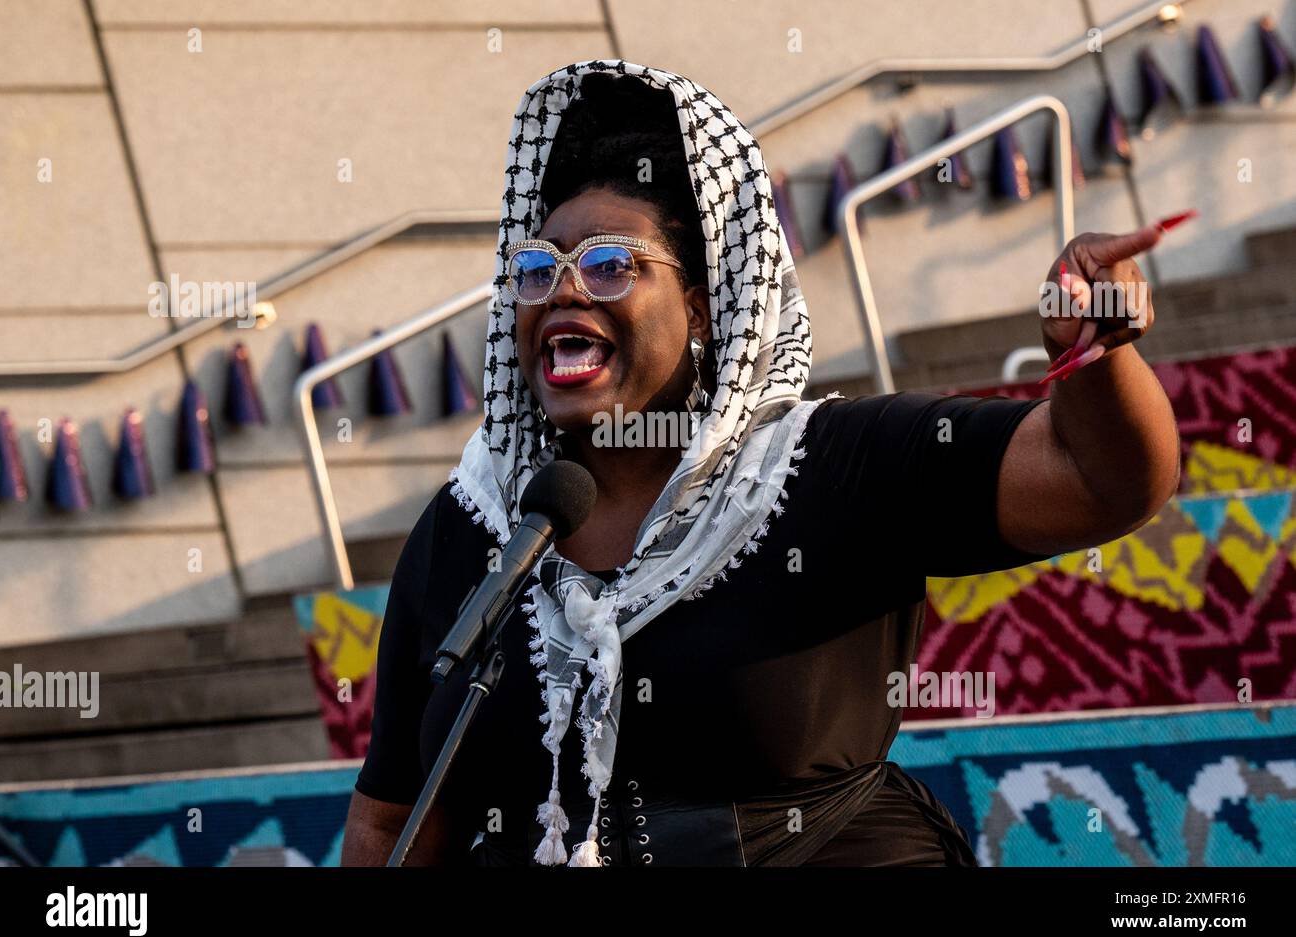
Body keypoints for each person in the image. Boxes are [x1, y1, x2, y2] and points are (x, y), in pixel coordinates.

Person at [340, 60, 1180, 866]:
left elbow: (1098, 481)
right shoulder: (476, 524)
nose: (563, 289)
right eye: (538, 268)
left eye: (607, 266)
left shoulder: (828, 467)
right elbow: (395, 815)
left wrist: (1096, 359)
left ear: (705, 310)